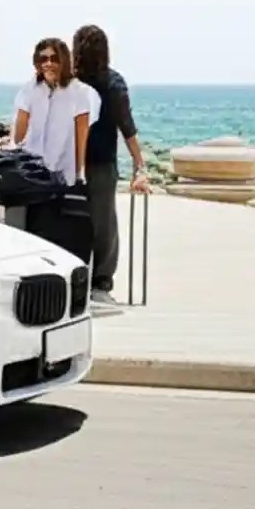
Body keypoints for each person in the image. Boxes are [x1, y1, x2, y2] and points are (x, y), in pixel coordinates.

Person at [73, 24, 151, 304]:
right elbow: (127, 126)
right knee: (103, 222)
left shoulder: (71, 82)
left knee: (73, 220)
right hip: (101, 161)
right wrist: (139, 164)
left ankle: (80, 279)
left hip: (71, 161)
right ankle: (101, 283)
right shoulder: (113, 82)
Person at [12, 37, 99, 187]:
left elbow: (81, 137)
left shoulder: (80, 92)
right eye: (43, 59)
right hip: (31, 172)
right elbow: (19, 135)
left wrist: (79, 174)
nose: (48, 64)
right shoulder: (29, 90)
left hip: (62, 175)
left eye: (54, 59)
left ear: (64, 60)